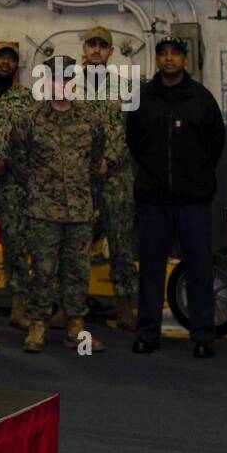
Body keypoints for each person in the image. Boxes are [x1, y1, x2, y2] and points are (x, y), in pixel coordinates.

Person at [125, 35, 226, 357]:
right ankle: (147, 332)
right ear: (157, 59)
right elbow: (134, 142)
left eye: (175, 54)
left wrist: (195, 176)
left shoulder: (201, 98)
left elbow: (216, 143)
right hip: (153, 200)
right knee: (151, 270)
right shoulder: (141, 97)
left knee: (199, 268)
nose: (169, 59)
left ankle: (203, 335)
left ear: (185, 59)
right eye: (163, 53)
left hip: (192, 200)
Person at [6, 57, 106, 354]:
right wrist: (40, 187)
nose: (61, 85)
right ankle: (38, 324)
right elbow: (17, 160)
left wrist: (78, 188)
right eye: (55, 79)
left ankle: (76, 326)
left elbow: (94, 162)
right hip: (43, 210)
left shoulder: (90, 120)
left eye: (66, 79)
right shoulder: (30, 119)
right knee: (43, 270)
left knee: (77, 270)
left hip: (79, 209)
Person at [80, 27, 140, 331]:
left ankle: (125, 305)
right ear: (84, 48)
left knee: (121, 242)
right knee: (74, 243)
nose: (96, 50)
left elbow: (134, 132)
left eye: (103, 45)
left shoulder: (126, 88)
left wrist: (109, 160)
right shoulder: (68, 87)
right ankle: (69, 304)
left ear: (110, 52)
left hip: (117, 178)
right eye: (92, 44)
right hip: (78, 180)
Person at [0, 42, 34, 328]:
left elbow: (30, 140)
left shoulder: (25, 99)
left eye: (11, 59)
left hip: (14, 182)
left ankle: (19, 306)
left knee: (16, 242)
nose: (5, 62)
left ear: (17, 66)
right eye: (1, 57)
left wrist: (8, 163)